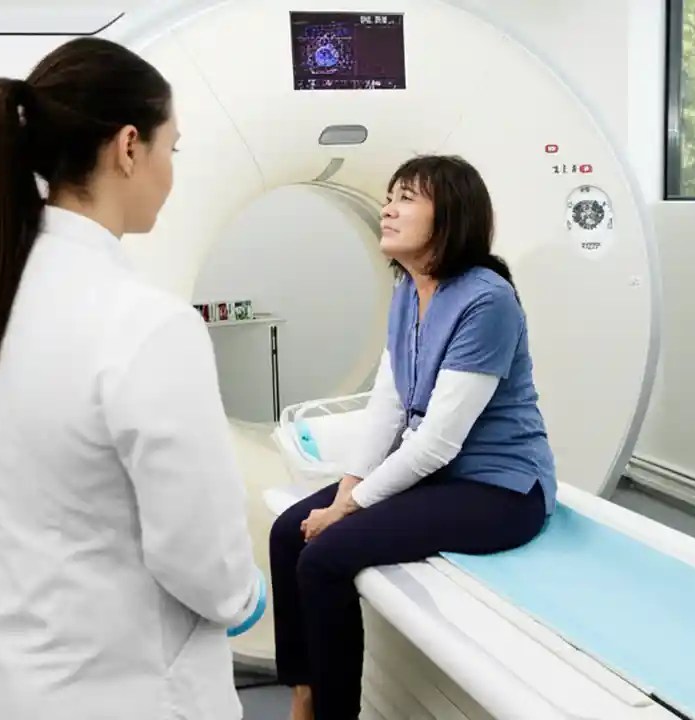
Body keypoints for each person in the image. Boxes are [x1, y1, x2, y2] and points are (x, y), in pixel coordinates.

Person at [0, 37, 267, 720]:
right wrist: (245, 596)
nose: (171, 172)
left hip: (17, 676)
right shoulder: (147, 324)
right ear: (128, 147)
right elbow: (200, 556)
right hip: (132, 687)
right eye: (170, 149)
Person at [270, 155, 557, 720]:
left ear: (448, 217)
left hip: (500, 491)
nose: (388, 207)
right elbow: (391, 403)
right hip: (440, 478)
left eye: (407, 198)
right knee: (288, 533)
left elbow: (438, 443)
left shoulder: (486, 300)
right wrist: (344, 490)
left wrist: (348, 507)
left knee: (323, 557)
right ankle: (304, 695)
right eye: (390, 195)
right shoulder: (409, 289)